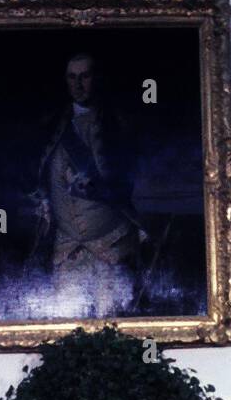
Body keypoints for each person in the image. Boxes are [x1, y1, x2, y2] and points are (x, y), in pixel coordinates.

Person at [28, 51, 146, 317]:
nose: (78, 85)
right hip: (66, 249)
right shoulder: (52, 126)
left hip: (111, 246)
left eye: (85, 76)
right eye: (72, 77)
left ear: (98, 78)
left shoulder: (120, 124)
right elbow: (38, 180)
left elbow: (126, 180)